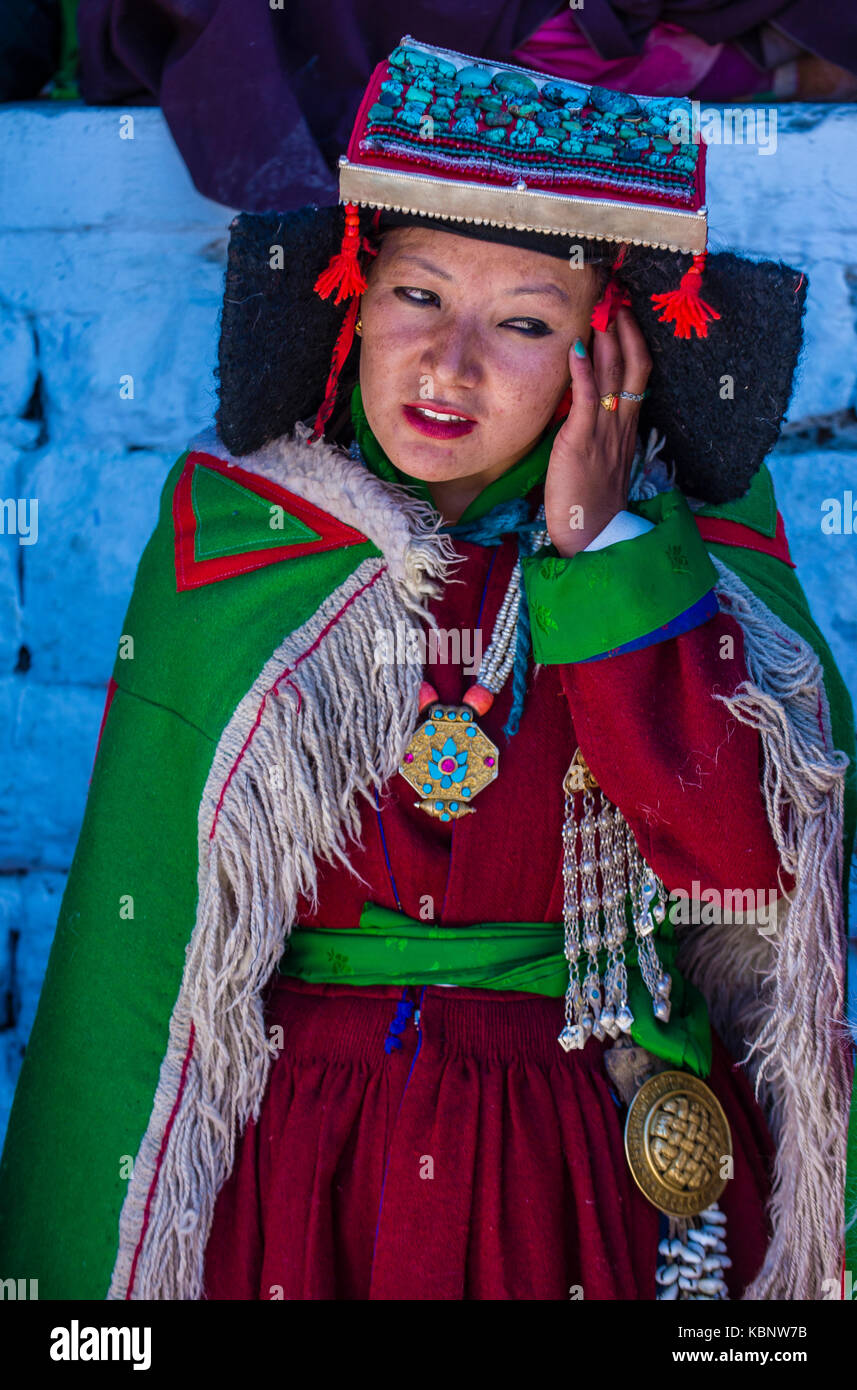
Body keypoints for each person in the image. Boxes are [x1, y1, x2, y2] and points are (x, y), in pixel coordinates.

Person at [0, 37, 853, 1302]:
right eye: (416, 296)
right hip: (295, 1172)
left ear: (605, 355)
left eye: (522, 323)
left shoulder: (684, 561)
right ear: (352, 289)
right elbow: (129, 972)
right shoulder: (236, 538)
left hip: (573, 1162)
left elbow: (761, 876)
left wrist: (600, 552)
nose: (448, 365)